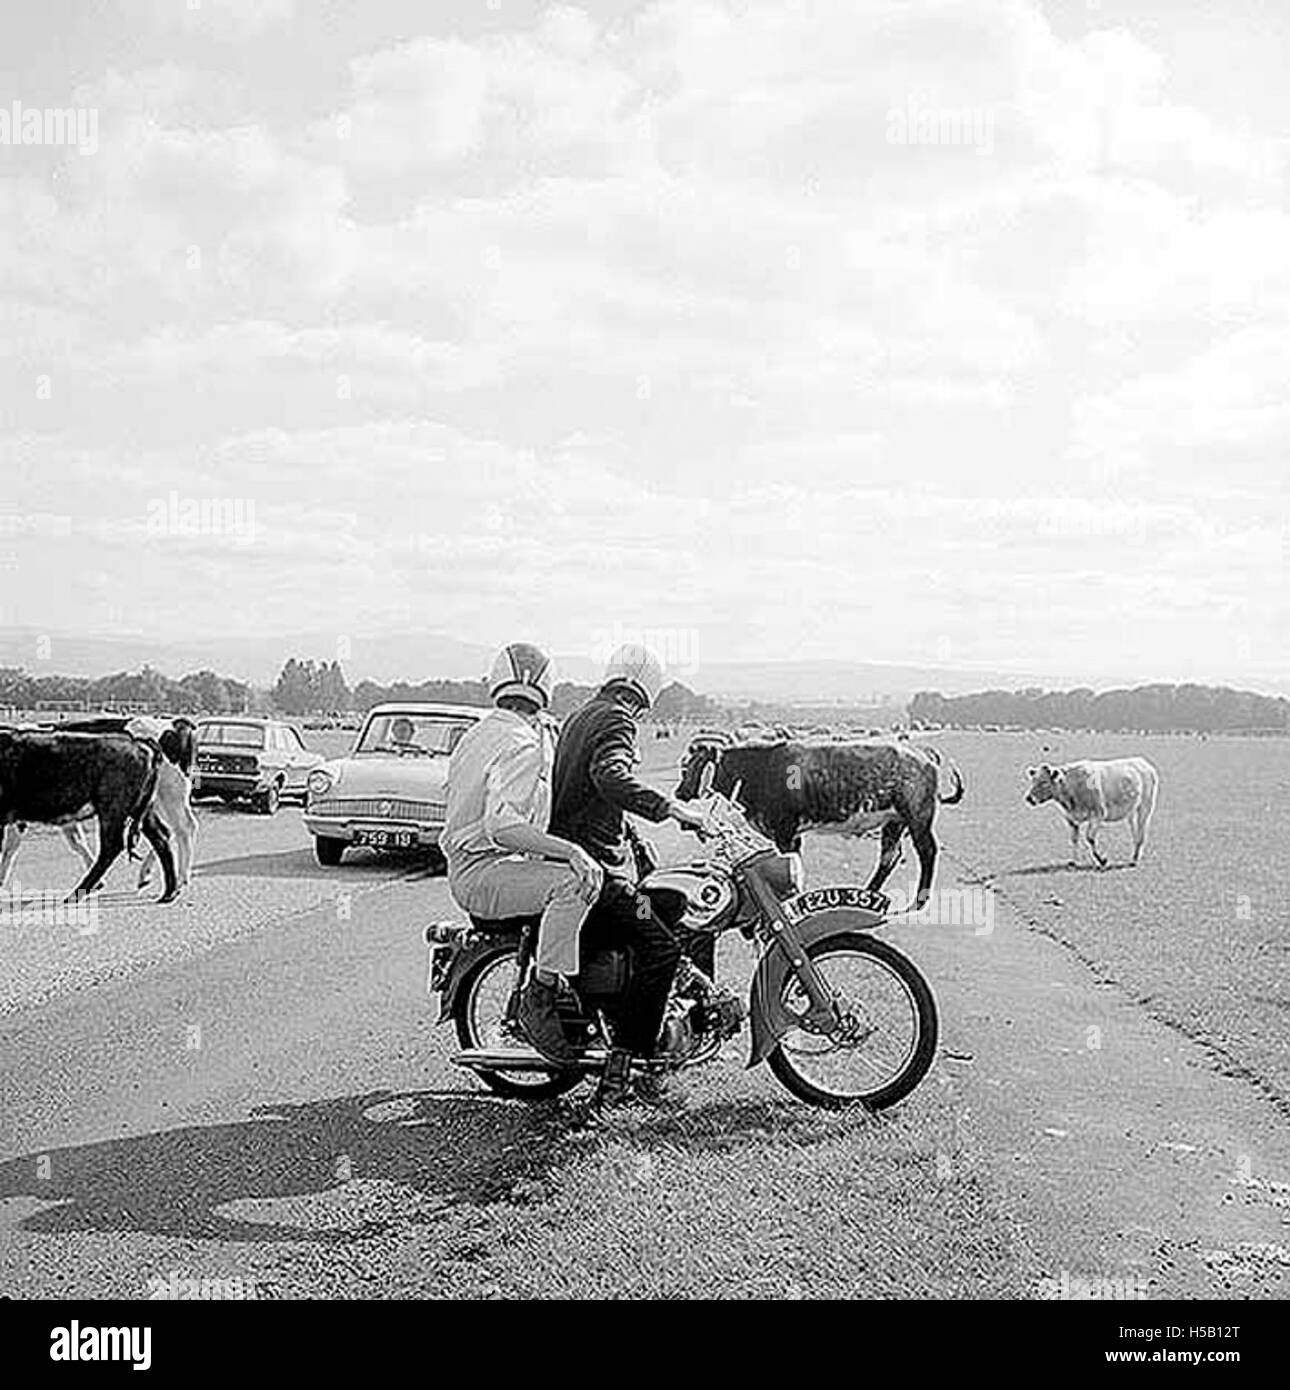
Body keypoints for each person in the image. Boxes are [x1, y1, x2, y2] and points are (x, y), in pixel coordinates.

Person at [549, 643, 707, 1106]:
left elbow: (592, 793)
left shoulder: (581, 715)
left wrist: (633, 834)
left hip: (591, 864)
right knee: (661, 946)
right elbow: (609, 778)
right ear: (648, 688)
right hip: (598, 875)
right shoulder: (617, 719)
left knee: (674, 905)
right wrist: (671, 807)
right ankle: (621, 1069)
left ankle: (661, 1030)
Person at [442, 642, 603, 1066]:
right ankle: (542, 997)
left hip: (473, 866)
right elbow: (504, 826)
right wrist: (572, 852)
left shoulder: (479, 733)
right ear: (546, 688)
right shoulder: (522, 742)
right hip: (485, 871)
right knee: (574, 883)